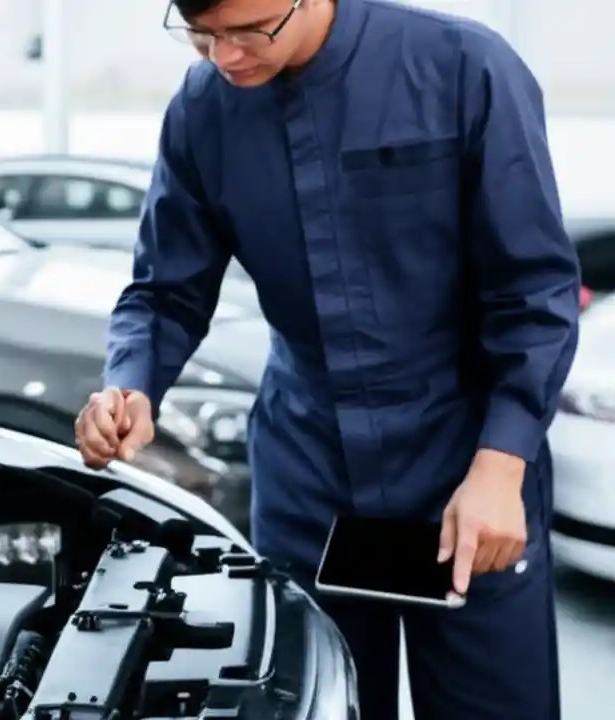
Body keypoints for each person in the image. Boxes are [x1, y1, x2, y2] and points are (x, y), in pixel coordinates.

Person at [75, 1, 581, 718]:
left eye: (250, 31)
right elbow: (164, 292)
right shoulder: (203, 109)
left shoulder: (464, 66)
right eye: (201, 35)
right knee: (312, 702)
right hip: (311, 479)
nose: (226, 57)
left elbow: (534, 290)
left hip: (462, 470)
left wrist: (502, 465)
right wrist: (130, 386)